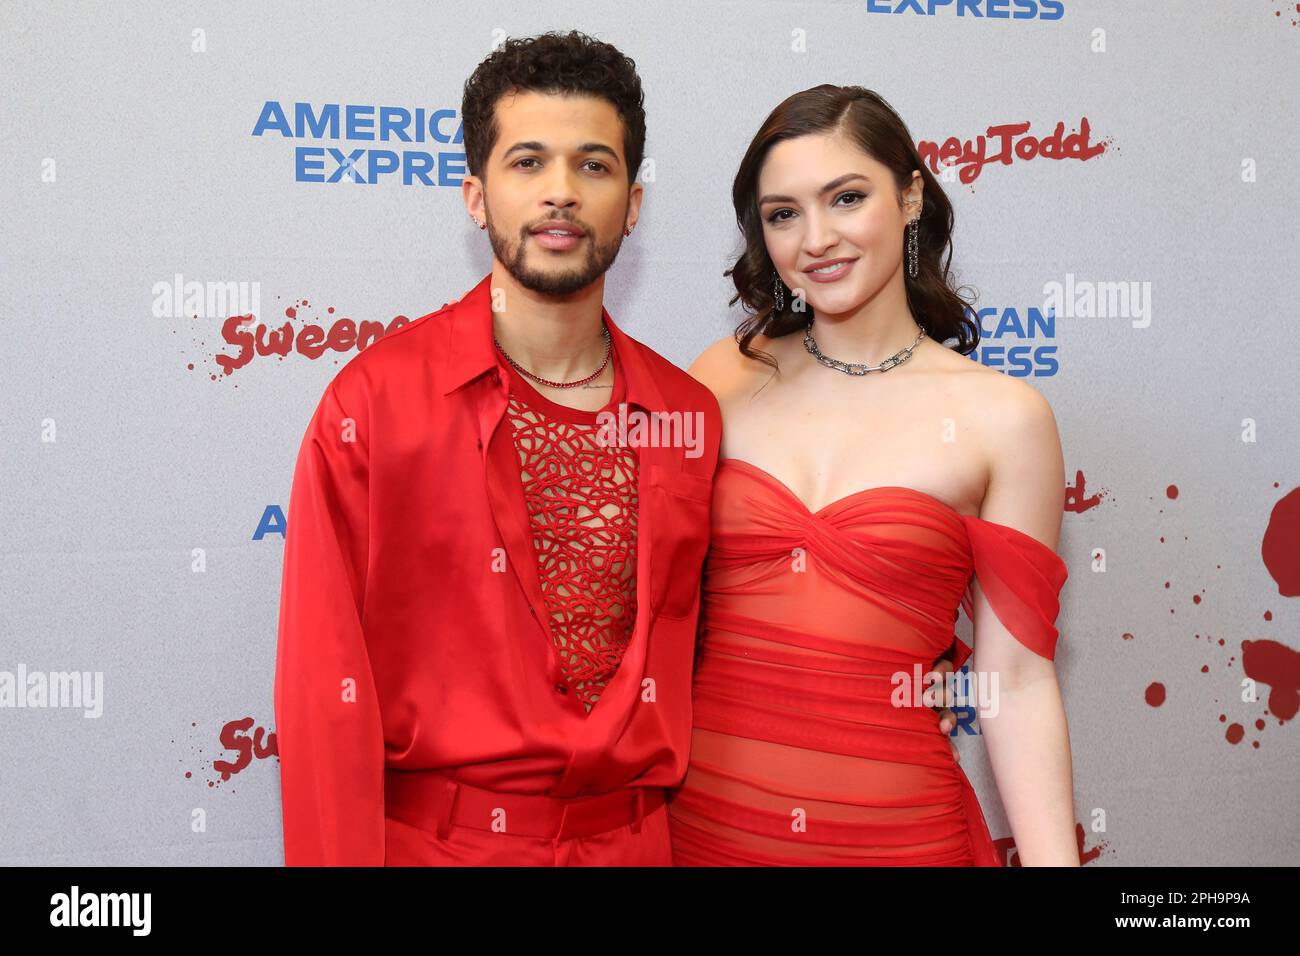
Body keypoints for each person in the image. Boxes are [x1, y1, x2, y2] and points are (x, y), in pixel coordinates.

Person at [272, 31, 724, 866]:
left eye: (594, 165)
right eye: (528, 163)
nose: (561, 193)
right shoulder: (372, 404)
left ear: (633, 203)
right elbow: (321, 694)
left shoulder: (686, 416)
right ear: (476, 196)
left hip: (637, 845)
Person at [667, 85, 1077, 866]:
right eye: (783, 213)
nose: (816, 238)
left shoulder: (1004, 418)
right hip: (701, 830)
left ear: (911, 195)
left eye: (846, 198)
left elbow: (1015, 682)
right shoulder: (723, 377)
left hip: (897, 836)